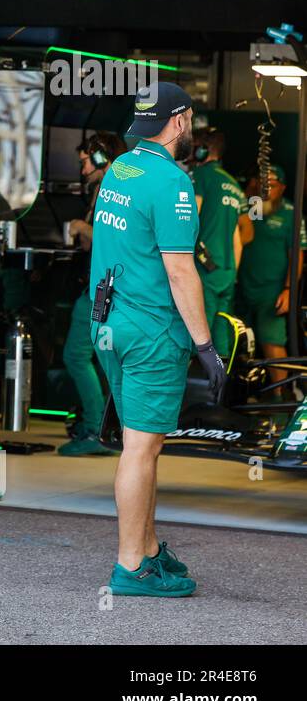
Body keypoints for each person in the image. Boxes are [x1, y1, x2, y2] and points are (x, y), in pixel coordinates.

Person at [91, 82, 224, 598]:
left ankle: (147, 549)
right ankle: (131, 567)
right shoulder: (172, 183)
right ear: (181, 121)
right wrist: (206, 347)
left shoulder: (120, 169)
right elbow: (180, 271)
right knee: (142, 449)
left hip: (109, 325)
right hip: (150, 333)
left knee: (141, 445)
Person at [59, 132, 129, 457]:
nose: (83, 168)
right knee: (105, 359)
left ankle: (94, 429)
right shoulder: (109, 188)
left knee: (76, 355)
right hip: (108, 286)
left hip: (102, 288)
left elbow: (109, 238)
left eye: (86, 161)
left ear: (101, 157)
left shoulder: (113, 189)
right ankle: (109, 429)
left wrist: (79, 228)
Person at [236, 163, 306, 394]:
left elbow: (296, 256)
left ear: (283, 188)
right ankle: (239, 395)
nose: (265, 190)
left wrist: (288, 290)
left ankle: (279, 398)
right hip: (241, 287)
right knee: (238, 342)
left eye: (271, 185)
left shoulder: (291, 214)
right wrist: (248, 193)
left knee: (272, 341)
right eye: (262, 183)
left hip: (272, 291)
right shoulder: (251, 206)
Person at [191, 128, 252, 359]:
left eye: (195, 146)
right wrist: (232, 273)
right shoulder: (235, 185)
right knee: (221, 336)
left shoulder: (201, 176)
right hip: (227, 271)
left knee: (197, 333)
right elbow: (238, 237)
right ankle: (221, 391)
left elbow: (190, 218)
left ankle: (191, 390)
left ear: (203, 150)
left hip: (204, 266)